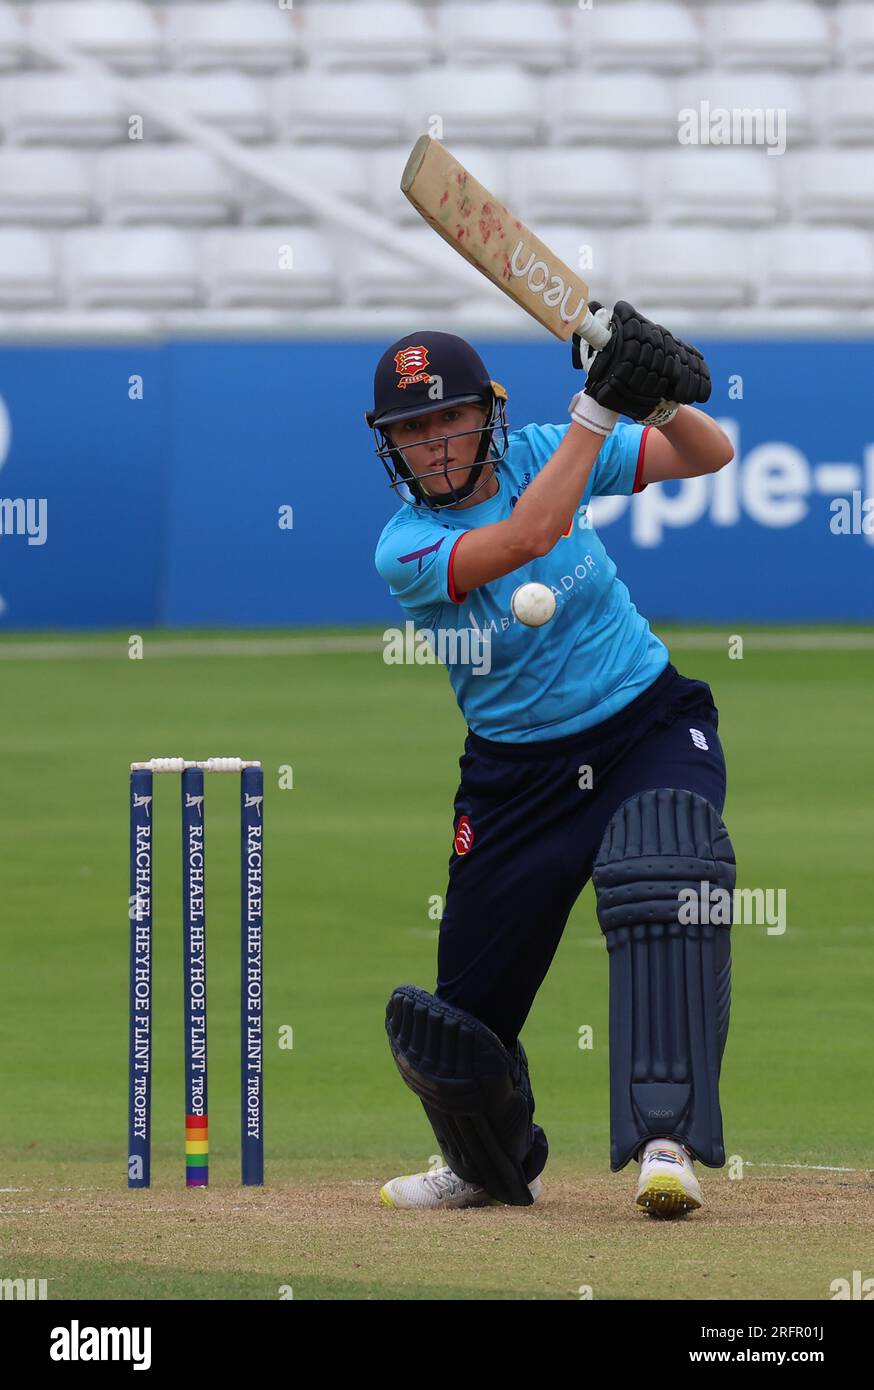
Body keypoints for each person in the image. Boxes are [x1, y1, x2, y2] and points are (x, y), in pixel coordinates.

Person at [367, 306, 737, 1218]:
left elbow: (710, 453)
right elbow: (528, 539)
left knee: (666, 869)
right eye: (411, 430)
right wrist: (598, 404)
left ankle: (668, 1142)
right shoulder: (404, 547)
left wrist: (654, 397)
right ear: (390, 449)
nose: (434, 444)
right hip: (513, 779)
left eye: (447, 417)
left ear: (487, 412)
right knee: (457, 1027)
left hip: (644, 727)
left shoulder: (544, 448)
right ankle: (491, 1164)